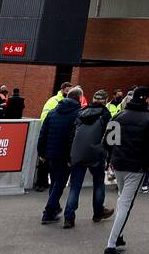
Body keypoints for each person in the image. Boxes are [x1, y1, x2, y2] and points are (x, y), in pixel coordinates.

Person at [103, 87, 149, 254]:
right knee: (125, 204)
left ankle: (118, 236)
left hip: (118, 163)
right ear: (146, 100)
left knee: (122, 199)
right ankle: (111, 246)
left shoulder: (119, 116)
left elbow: (108, 141)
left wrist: (114, 155)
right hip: (136, 165)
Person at [64, 90, 114, 228]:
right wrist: (108, 156)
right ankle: (98, 212)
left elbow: (72, 134)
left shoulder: (81, 112)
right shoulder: (105, 115)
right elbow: (111, 138)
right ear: (105, 100)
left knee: (75, 186)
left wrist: (70, 154)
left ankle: (69, 217)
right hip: (96, 153)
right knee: (98, 183)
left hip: (77, 153)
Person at [37, 86, 83, 225]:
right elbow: (74, 138)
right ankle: (48, 212)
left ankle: (55, 207)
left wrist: (41, 153)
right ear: (79, 98)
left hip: (51, 154)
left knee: (55, 182)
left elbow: (42, 134)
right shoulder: (78, 114)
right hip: (65, 155)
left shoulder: (52, 112)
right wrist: (71, 157)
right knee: (59, 184)